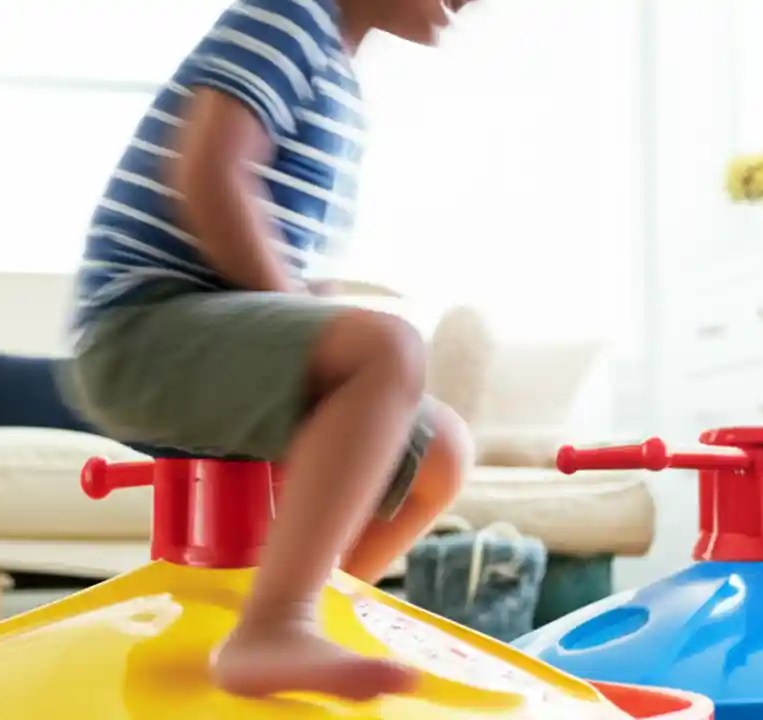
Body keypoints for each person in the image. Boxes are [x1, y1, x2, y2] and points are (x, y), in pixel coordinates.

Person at [58, 0, 477, 701]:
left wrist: (317, 324)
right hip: (142, 335)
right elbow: (212, 172)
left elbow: (299, 266)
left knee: (442, 449)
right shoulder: (286, 17)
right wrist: (317, 324)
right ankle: (278, 622)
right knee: (388, 348)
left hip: (206, 333)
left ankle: (304, 611)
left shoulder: (340, 84)